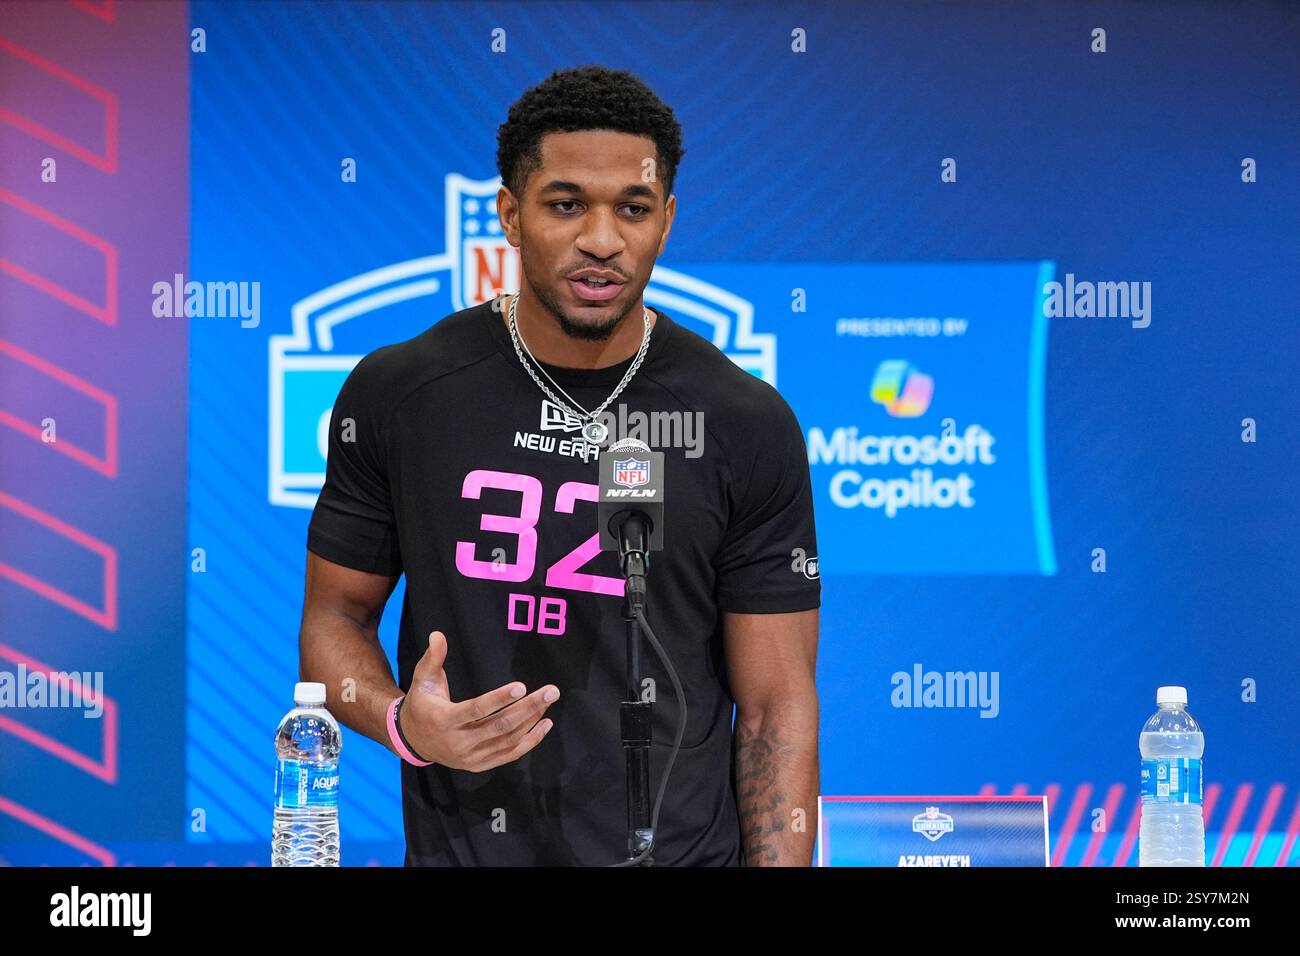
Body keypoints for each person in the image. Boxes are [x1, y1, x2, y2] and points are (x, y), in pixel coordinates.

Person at [299, 65, 820, 866]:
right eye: (567, 203)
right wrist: (403, 722)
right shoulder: (403, 394)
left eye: (633, 209)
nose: (602, 240)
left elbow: (776, 710)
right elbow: (335, 622)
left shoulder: (744, 423)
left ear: (668, 220)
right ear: (509, 214)